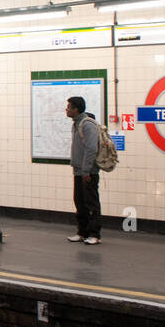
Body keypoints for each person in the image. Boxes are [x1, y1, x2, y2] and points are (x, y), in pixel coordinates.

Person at [66, 97, 101, 244]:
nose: (66, 109)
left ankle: (94, 235)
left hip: (88, 172)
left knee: (91, 203)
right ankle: (82, 232)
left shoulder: (87, 124)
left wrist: (86, 170)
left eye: (69, 107)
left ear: (76, 109)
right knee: (79, 202)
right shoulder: (76, 124)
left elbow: (91, 148)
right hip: (78, 171)